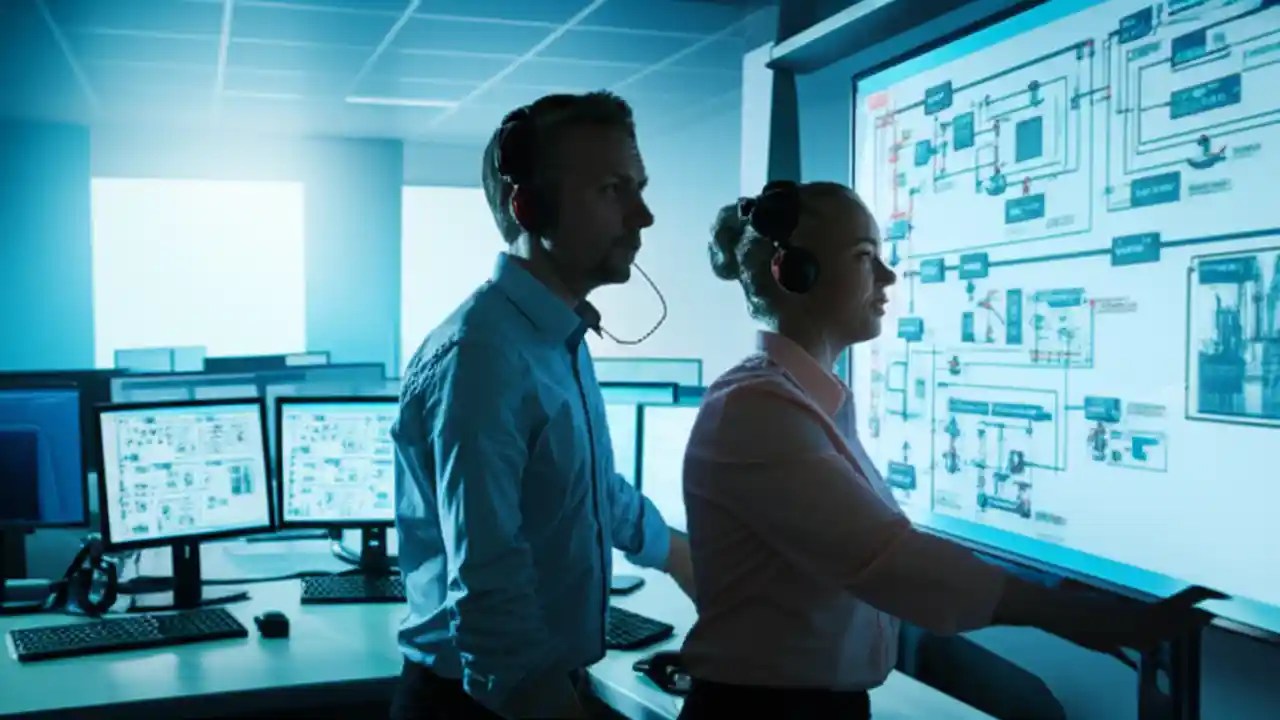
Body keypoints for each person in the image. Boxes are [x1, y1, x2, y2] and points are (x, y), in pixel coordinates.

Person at [677, 180, 1218, 719]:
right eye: (866, 257)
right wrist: (1076, 616)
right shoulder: (755, 409)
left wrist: (1065, 587)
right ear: (796, 274)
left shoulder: (811, 403)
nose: (888, 277)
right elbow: (889, 561)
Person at [390, 92, 695, 720]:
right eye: (614, 189)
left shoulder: (555, 336)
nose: (644, 216)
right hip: (483, 705)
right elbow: (490, 593)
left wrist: (680, 556)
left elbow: (586, 484)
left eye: (638, 187)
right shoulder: (481, 357)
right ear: (529, 206)